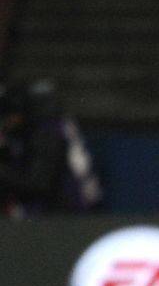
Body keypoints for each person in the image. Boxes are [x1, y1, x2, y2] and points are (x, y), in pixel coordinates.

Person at [0, 78, 101, 218]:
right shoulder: (34, 129)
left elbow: (39, 183)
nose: (6, 122)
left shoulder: (47, 130)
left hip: (69, 212)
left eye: (8, 116)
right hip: (60, 209)